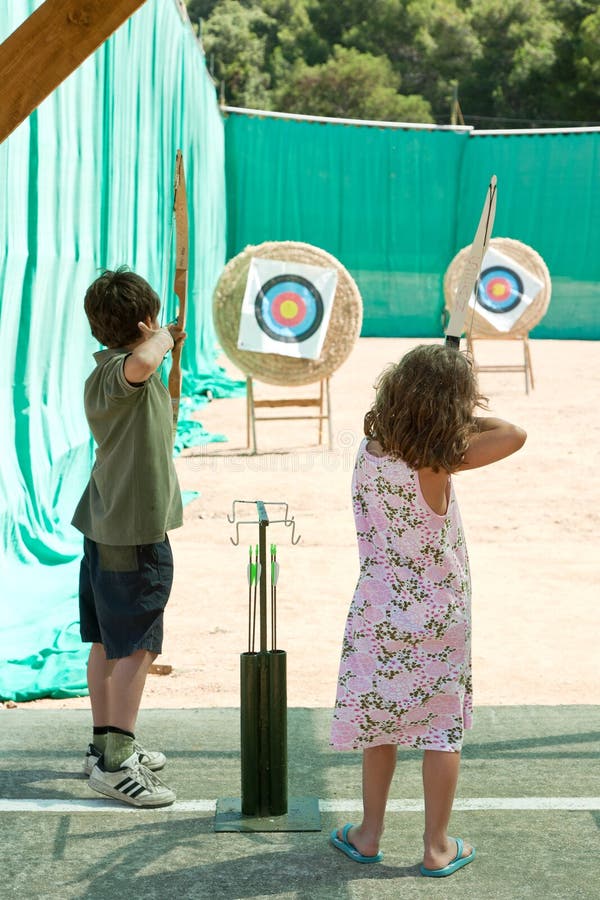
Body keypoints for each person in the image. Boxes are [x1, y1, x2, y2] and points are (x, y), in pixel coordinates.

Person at [330, 344, 526, 876]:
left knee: (382, 723)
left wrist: (433, 411)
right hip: (440, 615)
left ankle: (369, 834)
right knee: (441, 728)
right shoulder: (439, 461)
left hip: (378, 610)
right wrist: (456, 414)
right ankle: (436, 846)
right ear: (450, 409)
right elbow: (513, 433)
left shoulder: (369, 449)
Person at [72, 267, 186, 808]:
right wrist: (160, 341)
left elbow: (145, 365)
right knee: (138, 645)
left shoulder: (107, 374)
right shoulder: (124, 372)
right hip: (132, 534)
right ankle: (116, 765)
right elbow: (141, 364)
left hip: (106, 526)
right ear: (143, 324)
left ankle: (105, 745)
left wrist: (163, 343)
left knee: (107, 642)